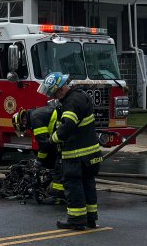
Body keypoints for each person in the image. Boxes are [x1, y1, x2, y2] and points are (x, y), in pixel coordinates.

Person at [41, 72, 101, 230]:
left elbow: (68, 125)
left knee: (73, 185)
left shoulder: (70, 102)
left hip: (76, 154)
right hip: (90, 154)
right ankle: (90, 218)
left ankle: (76, 220)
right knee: (88, 184)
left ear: (60, 89)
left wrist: (52, 140)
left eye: (54, 93)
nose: (54, 97)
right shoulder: (79, 96)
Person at [16, 103, 65, 202]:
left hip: (63, 136)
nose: (27, 129)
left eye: (24, 127)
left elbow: (44, 145)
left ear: (24, 121)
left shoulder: (34, 119)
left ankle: (59, 196)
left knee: (59, 167)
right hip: (62, 134)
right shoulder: (36, 113)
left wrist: (38, 162)